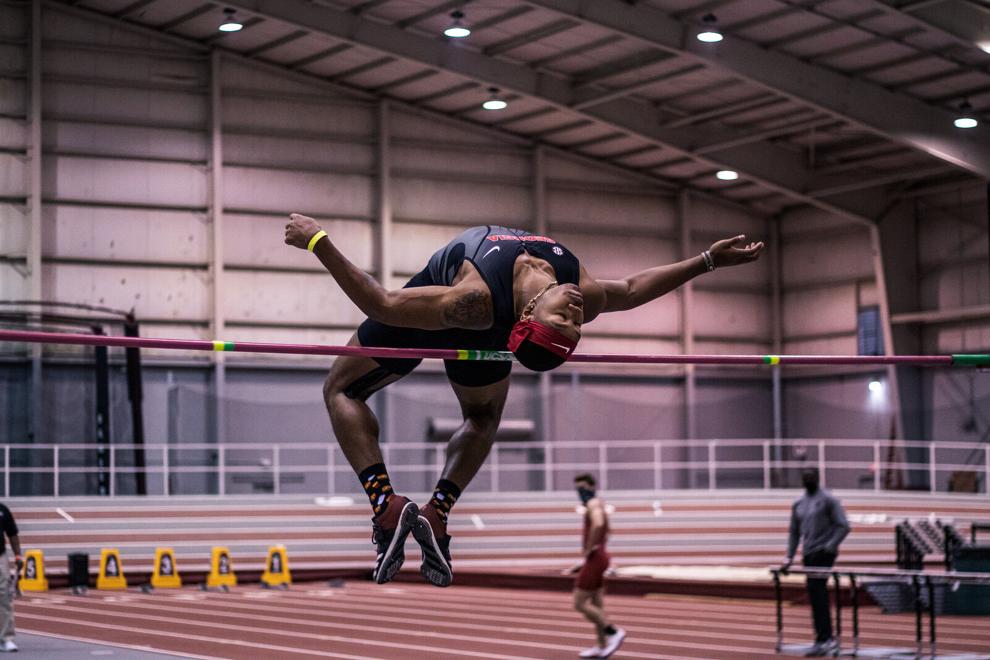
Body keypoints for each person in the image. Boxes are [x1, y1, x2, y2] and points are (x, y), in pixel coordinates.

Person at [284, 215, 764, 587]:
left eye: (566, 323)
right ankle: (417, 511)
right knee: (470, 413)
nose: (576, 316)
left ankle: (398, 508)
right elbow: (633, 290)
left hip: (470, 318)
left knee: (349, 389)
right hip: (470, 318)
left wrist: (316, 240)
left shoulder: (474, 303)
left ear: (532, 313)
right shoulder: (583, 293)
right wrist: (708, 261)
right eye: (573, 327)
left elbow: (384, 304)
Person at [781, 469, 850, 657]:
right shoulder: (798, 503)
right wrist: (788, 557)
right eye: (805, 477)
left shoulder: (829, 500)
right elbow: (794, 532)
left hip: (824, 553)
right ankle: (823, 638)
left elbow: (843, 525)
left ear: (818, 479)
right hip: (809, 553)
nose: (808, 480)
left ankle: (825, 639)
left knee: (818, 592)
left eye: (811, 477)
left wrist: (830, 546)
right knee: (815, 594)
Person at [565, 473, 625, 659]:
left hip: (596, 558)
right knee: (596, 603)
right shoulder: (597, 504)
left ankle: (613, 632)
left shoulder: (593, 503)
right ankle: (601, 645)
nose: (580, 492)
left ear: (591, 486)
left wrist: (590, 548)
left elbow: (598, 524)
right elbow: (608, 529)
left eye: (583, 488)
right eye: (578, 489)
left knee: (579, 603)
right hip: (600, 556)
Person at [0, 503, 21, 653]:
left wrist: (18, 555)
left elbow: (12, 533)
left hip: (0, 556)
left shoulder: (2, 510)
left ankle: (6, 638)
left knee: (4, 596)